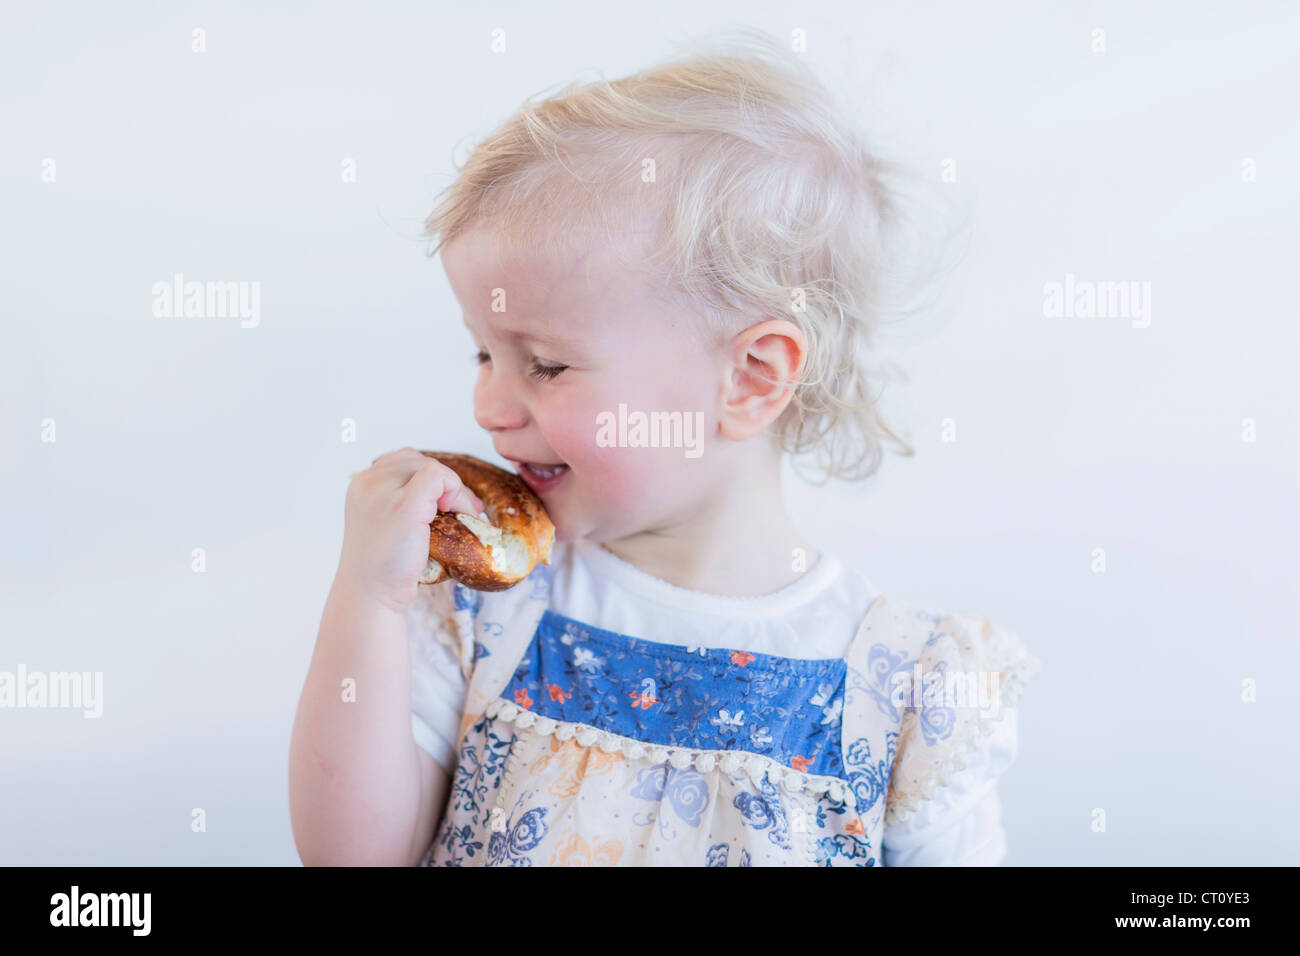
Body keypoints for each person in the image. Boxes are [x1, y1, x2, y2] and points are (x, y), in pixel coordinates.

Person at [290, 26, 1038, 867]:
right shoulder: (483, 615)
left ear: (752, 378)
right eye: (483, 353)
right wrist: (365, 597)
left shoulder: (907, 691)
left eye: (545, 363)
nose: (488, 404)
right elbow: (349, 858)